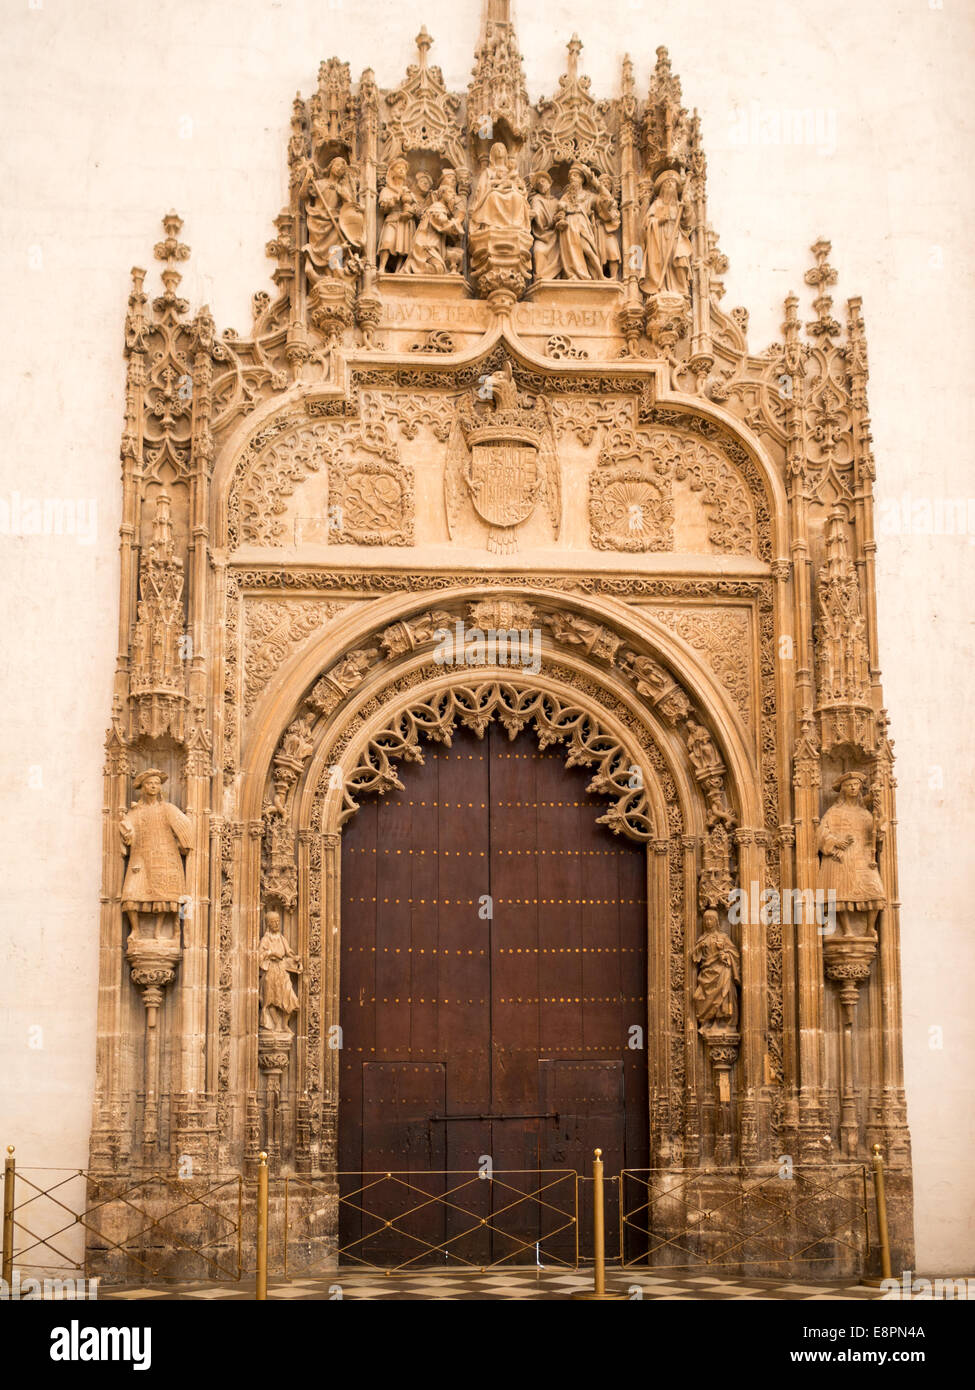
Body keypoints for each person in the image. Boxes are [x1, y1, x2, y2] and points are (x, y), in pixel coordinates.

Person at [120, 769, 193, 940]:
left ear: (160, 787)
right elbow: (127, 828)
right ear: (143, 787)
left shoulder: (167, 809)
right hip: (141, 857)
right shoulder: (136, 811)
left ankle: (160, 931)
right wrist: (126, 832)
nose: (153, 786)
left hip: (164, 855)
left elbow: (184, 827)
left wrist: (183, 842)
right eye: (149, 783)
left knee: (165, 895)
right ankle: (136, 930)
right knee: (131, 893)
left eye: (156, 783)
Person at [817, 772, 886, 937]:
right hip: (843, 858)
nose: (853, 788)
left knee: (876, 890)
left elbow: (876, 835)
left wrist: (880, 815)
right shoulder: (834, 812)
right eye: (849, 785)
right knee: (841, 894)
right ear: (842, 789)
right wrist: (835, 841)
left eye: (856, 784)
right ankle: (847, 930)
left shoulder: (865, 813)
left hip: (862, 858)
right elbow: (821, 833)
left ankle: (870, 928)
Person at [301, 155, 364, 282]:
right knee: (318, 249)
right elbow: (303, 195)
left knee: (335, 248)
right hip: (318, 221)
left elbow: (350, 206)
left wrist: (348, 198)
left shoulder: (342, 189)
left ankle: (333, 274)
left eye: (343, 167)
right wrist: (307, 178)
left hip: (334, 221)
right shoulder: (318, 184)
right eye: (338, 165)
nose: (340, 168)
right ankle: (323, 272)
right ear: (330, 167)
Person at [639, 168, 692, 296]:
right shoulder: (657, 204)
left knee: (680, 259)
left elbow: (688, 222)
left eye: (672, 182)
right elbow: (646, 223)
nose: (669, 185)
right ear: (662, 188)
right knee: (662, 260)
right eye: (666, 183)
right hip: (660, 237)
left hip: (676, 236)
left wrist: (688, 206)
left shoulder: (679, 205)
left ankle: (681, 289)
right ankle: (661, 287)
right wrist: (659, 221)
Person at [692, 910, 741, 1033]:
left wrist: (725, 955)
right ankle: (707, 1023)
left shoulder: (723, 937)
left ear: (716, 921)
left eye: (711, 919)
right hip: (707, 972)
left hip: (722, 972)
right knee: (700, 997)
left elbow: (734, 954)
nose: (708, 922)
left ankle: (722, 1024)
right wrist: (699, 947)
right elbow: (695, 957)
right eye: (706, 920)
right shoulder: (702, 938)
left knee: (722, 998)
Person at [469, 141, 531, 235]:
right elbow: (482, 188)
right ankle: (492, 225)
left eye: (502, 148)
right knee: (493, 196)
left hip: (510, 191)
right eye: (496, 149)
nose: (499, 150)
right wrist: (497, 183)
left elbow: (520, 187)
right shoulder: (488, 171)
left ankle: (514, 224)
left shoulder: (511, 170)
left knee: (517, 197)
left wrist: (519, 186)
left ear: (506, 153)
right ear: (492, 154)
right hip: (494, 192)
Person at [554, 163, 602, 280]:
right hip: (569, 226)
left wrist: (598, 185)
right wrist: (559, 216)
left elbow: (606, 202)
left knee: (588, 249)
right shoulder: (566, 196)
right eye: (571, 177)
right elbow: (558, 212)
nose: (572, 179)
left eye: (575, 176)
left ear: (582, 179)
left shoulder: (589, 196)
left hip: (582, 223)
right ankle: (574, 274)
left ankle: (600, 275)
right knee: (571, 249)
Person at [258, 910, 302, 1033]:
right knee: (271, 999)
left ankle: (284, 1024)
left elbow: (288, 951)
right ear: (268, 924)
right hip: (271, 971)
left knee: (289, 997)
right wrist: (271, 953)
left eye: (278, 921)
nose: (277, 924)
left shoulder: (281, 938)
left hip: (282, 971)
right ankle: (276, 1024)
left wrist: (295, 958)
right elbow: (259, 954)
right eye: (273, 922)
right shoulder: (266, 939)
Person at [377, 158, 417, 273]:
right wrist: (395, 197)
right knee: (387, 241)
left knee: (404, 247)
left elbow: (416, 207)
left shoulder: (408, 191)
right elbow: (383, 207)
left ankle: (399, 270)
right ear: (392, 172)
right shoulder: (386, 190)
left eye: (404, 168)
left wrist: (411, 211)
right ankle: (382, 268)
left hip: (405, 222)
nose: (401, 170)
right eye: (398, 168)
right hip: (393, 219)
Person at [529, 170, 561, 280]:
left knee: (562, 251)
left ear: (550, 183)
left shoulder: (557, 201)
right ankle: (540, 279)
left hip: (555, 237)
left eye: (543, 181)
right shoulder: (536, 199)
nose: (541, 184)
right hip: (542, 237)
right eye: (538, 183)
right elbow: (538, 215)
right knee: (538, 251)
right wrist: (534, 215)